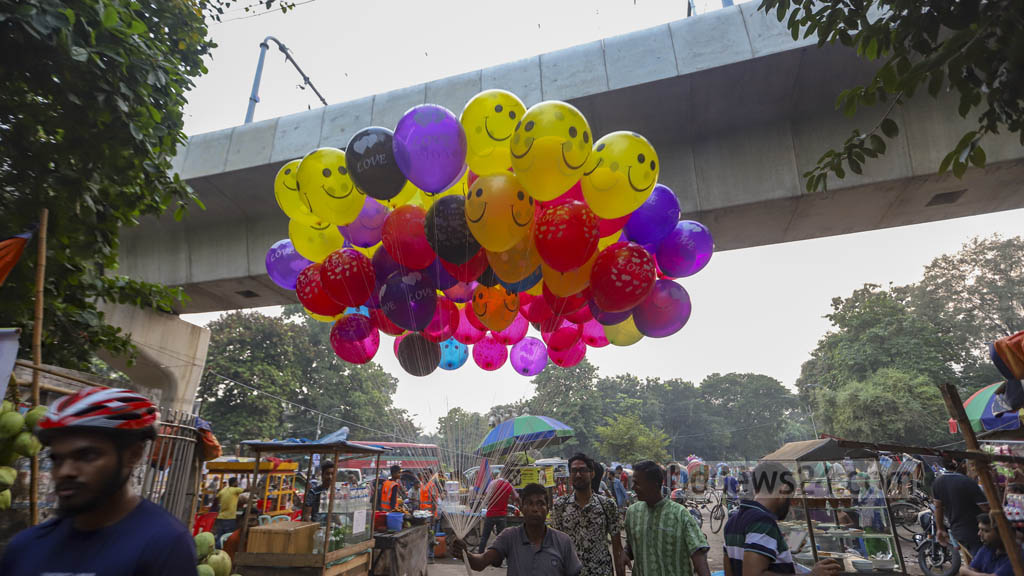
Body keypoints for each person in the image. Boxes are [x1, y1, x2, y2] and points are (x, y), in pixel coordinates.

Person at [0, 386, 197, 575]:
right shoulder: (27, 547)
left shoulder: (164, 546)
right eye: (57, 459)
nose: (65, 471)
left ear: (133, 455)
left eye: (87, 456)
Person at [724, 461, 840, 576]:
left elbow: (730, 569)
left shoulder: (733, 520)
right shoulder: (763, 521)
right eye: (790, 498)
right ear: (783, 490)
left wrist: (784, 550)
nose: (790, 505)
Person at [452, 482, 582, 576]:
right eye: (529, 503)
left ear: (547, 509)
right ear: (521, 508)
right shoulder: (509, 536)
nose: (535, 509)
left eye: (540, 503)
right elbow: (482, 562)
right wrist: (465, 555)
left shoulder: (563, 541)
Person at [625, 460, 710, 576]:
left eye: (637, 483)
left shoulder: (680, 514)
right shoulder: (632, 513)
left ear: (653, 484)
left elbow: (698, 555)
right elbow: (632, 544)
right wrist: (625, 553)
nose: (633, 487)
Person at [551, 453, 625, 576]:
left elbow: (617, 548)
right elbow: (555, 546)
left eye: (582, 470)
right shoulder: (561, 505)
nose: (578, 475)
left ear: (592, 474)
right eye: (574, 471)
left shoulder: (607, 505)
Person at [935, 456, 989, 555]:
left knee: (975, 559)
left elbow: (938, 507)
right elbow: (985, 508)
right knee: (982, 562)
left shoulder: (938, 482)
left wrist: (940, 529)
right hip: (975, 531)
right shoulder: (968, 482)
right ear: (963, 464)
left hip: (957, 530)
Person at [478, 471, 521, 553]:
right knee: (501, 538)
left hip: (490, 514)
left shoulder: (492, 483)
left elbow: (486, 496)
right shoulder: (508, 485)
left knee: (484, 537)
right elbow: (516, 497)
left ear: (500, 475)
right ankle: (500, 558)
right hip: (501, 515)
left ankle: (480, 554)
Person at [214, 477, 247, 547]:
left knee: (220, 537)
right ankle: (226, 552)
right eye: (237, 482)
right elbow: (248, 489)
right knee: (229, 538)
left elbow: (216, 498)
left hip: (220, 517)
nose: (238, 483)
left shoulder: (224, 489)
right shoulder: (235, 490)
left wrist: (218, 507)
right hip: (229, 518)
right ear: (234, 483)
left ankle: (217, 551)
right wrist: (247, 477)